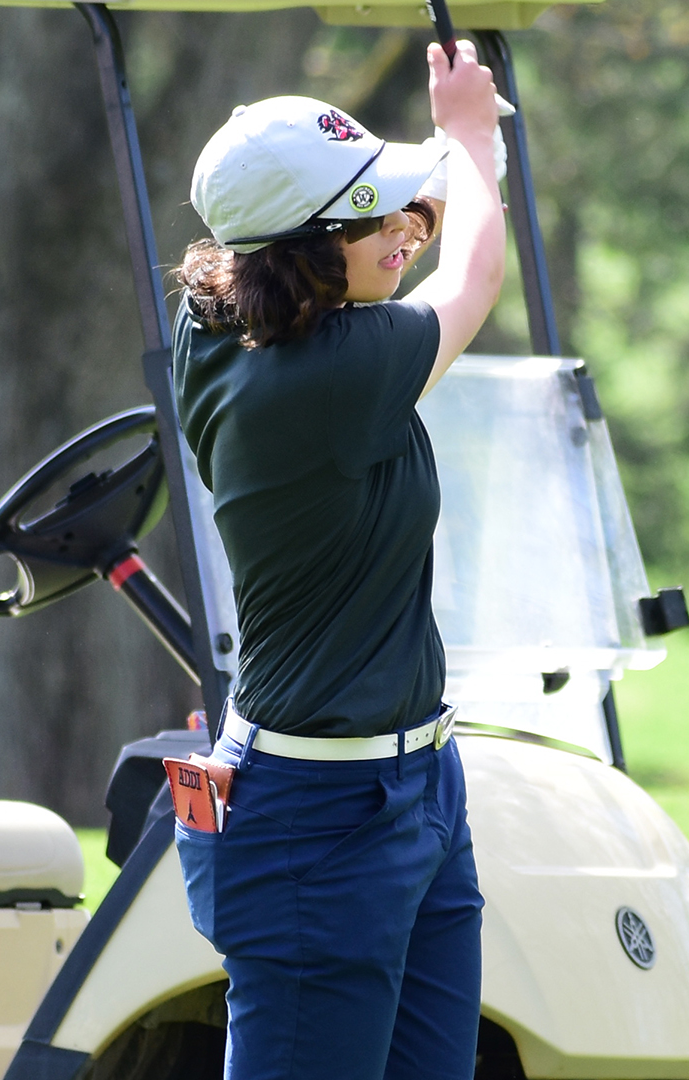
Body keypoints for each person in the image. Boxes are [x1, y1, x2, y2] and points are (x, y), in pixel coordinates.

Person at [170, 38, 506, 1080]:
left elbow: (396, 250)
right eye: (378, 219)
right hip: (317, 823)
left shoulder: (223, 321)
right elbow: (476, 274)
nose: (408, 229)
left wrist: (415, 195)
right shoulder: (324, 375)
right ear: (306, 256)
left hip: (415, 786)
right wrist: (471, 144)